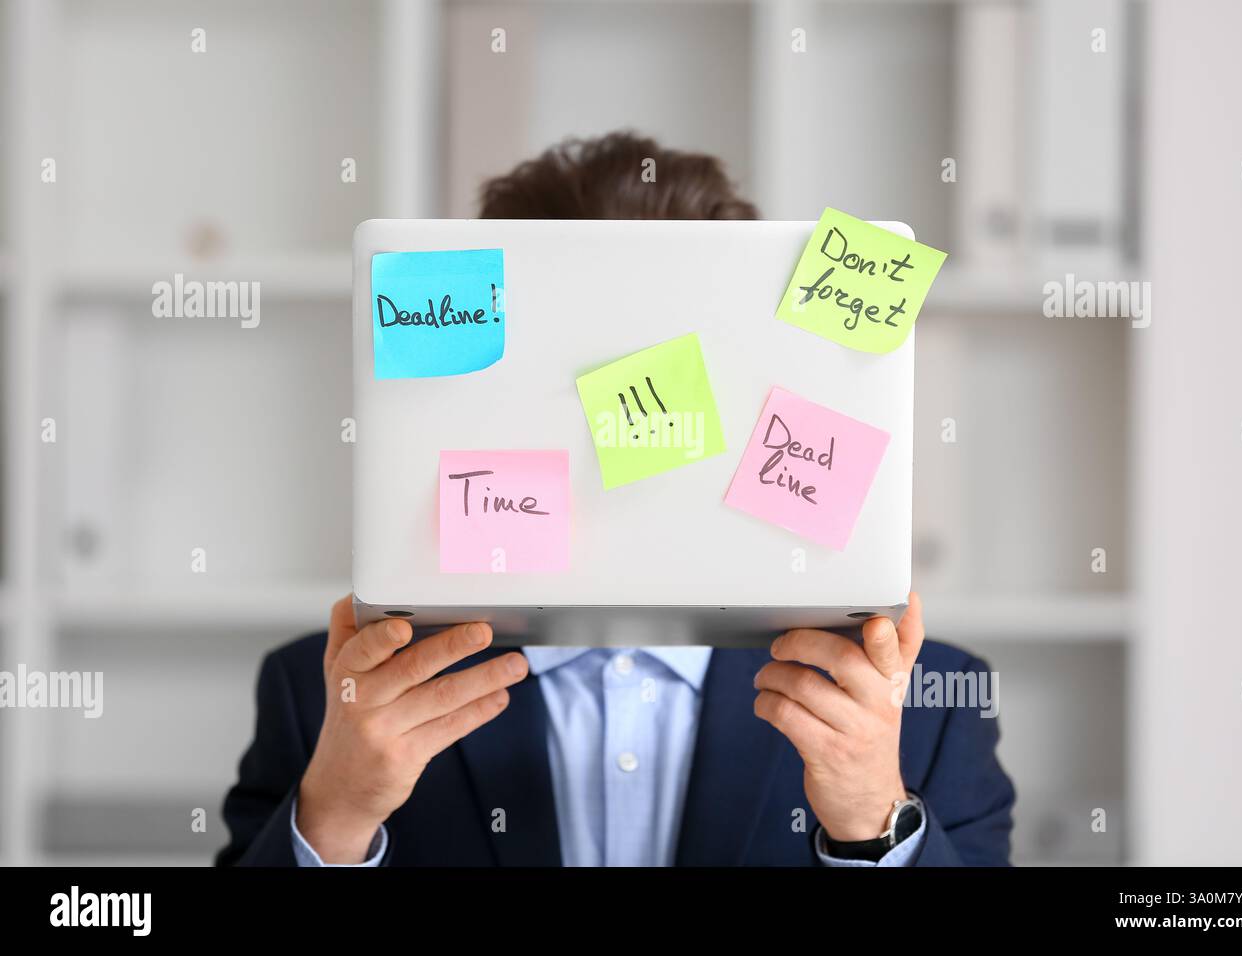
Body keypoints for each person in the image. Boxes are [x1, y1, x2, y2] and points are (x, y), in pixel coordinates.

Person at [216, 132, 1014, 867]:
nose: (622, 423)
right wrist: (334, 817)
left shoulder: (923, 710)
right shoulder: (327, 698)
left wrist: (875, 821)